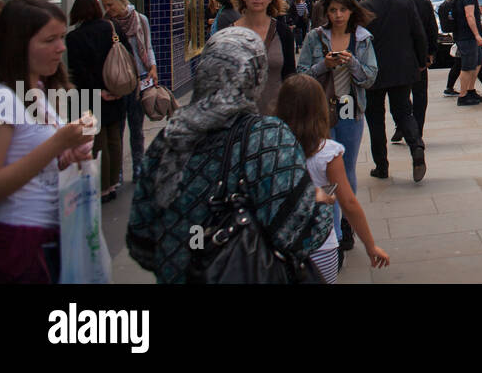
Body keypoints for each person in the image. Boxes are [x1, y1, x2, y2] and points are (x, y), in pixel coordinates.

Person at [126, 27, 335, 284]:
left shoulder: (169, 138)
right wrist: (315, 198)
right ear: (255, 77)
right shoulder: (267, 137)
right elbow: (304, 233)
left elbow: (140, 238)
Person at [0, 0, 95, 283]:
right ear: (19, 45)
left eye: (62, 37)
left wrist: (67, 158)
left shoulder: (37, 91)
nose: (61, 48)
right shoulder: (4, 98)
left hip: (51, 235)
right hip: (21, 241)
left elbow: (35, 164)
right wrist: (59, 143)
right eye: (49, 40)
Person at [275, 75, 390, 281]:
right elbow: (348, 202)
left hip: (279, 242)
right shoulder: (327, 152)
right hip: (320, 244)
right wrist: (370, 245)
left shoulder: (272, 148)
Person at [297, 0, 378, 252]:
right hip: (321, 110)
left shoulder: (363, 38)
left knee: (347, 169)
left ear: (352, 11)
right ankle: (330, 228)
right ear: (327, 12)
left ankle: (346, 222)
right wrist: (325, 65)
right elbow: (302, 75)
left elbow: (370, 77)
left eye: (343, 9)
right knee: (325, 170)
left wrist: (352, 62)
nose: (339, 15)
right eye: (333, 10)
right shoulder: (314, 38)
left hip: (350, 108)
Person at [360, 0, 427, 182]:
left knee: (375, 118)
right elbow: (418, 33)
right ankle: (416, 147)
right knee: (403, 112)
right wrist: (421, 60)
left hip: (374, 72)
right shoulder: (404, 3)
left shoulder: (363, 7)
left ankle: (381, 165)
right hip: (402, 68)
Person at [65, 0, 128, 202]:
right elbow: (126, 54)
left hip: (89, 95)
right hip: (115, 89)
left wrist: (96, 90)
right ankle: (112, 184)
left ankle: (101, 188)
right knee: (114, 139)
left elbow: (77, 71)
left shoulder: (74, 38)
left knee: (97, 142)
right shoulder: (112, 28)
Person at [100, 0, 157, 185]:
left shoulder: (140, 20)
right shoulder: (107, 24)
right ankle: (119, 171)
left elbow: (147, 45)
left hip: (140, 78)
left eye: (110, 4)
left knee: (137, 126)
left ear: (121, 1)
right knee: (118, 126)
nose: (108, 8)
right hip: (120, 81)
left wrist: (153, 67)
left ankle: (139, 166)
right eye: (105, 5)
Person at [228, 0, 296, 115]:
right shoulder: (229, 35)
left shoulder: (283, 33)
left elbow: (290, 77)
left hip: (276, 120)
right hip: (238, 123)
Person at [394, 0, 435, 146]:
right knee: (420, 95)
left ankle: (401, 126)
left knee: (400, 96)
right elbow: (432, 30)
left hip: (397, 57)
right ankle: (417, 129)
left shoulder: (392, 3)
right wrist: (431, 53)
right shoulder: (423, 1)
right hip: (419, 57)